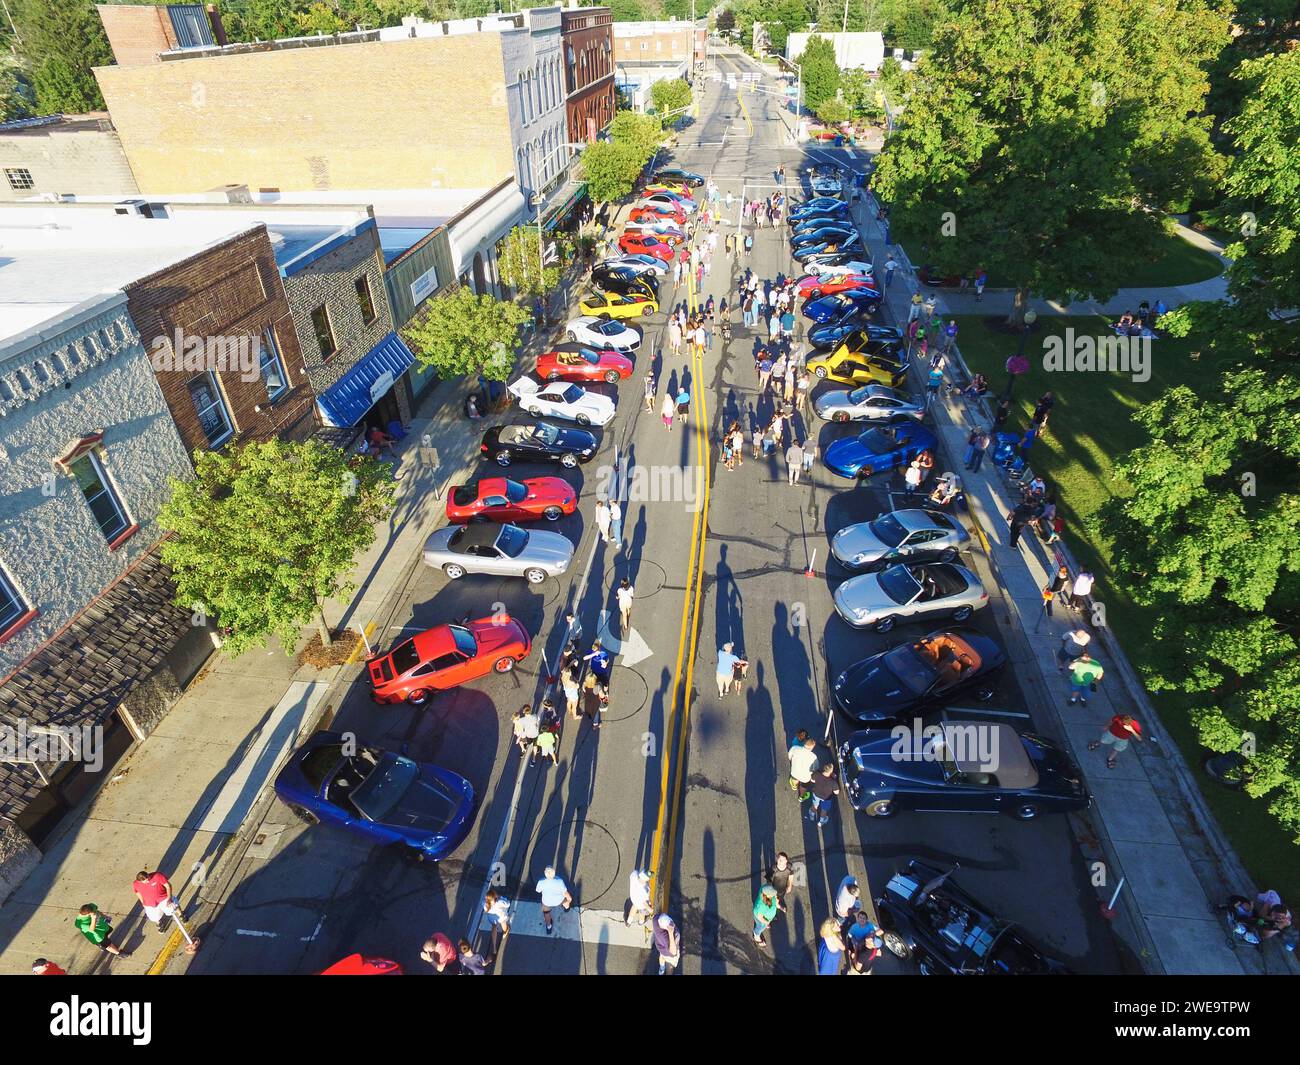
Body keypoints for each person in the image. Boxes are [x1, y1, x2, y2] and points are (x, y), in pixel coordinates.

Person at [131, 869, 179, 936]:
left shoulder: (157, 876)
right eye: (145, 881)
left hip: (163, 899)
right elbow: (137, 892)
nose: (148, 881)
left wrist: (169, 898)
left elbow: (168, 886)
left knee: (173, 907)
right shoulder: (136, 884)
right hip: (150, 904)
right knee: (154, 917)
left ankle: (181, 914)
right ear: (140, 881)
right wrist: (143, 902)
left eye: (148, 878)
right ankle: (159, 924)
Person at [535, 866, 573, 935]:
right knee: (565, 901)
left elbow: (538, 891)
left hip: (547, 902)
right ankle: (566, 908)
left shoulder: (541, 882)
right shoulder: (559, 881)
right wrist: (569, 900)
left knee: (546, 913)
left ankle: (549, 927)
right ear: (554, 873)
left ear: (545, 873)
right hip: (559, 900)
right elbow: (565, 893)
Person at [806, 762, 839, 827]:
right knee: (824, 809)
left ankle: (812, 814)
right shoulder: (833, 782)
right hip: (826, 798)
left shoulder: (817, 774)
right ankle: (821, 821)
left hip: (816, 793)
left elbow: (812, 780)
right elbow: (836, 792)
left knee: (815, 805)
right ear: (831, 771)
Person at [788, 734, 819, 801]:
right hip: (805, 778)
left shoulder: (795, 748)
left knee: (794, 779)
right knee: (803, 787)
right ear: (812, 747)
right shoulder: (813, 757)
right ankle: (801, 797)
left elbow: (789, 757)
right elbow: (815, 768)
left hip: (794, 772)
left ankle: (794, 786)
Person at [482, 891, 511, 956]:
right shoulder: (499, 902)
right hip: (501, 917)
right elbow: (508, 904)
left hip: (492, 919)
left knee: (494, 927)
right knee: (504, 924)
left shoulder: (484, 903)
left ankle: (494, 948)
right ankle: (505, 932)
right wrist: (500, 897)